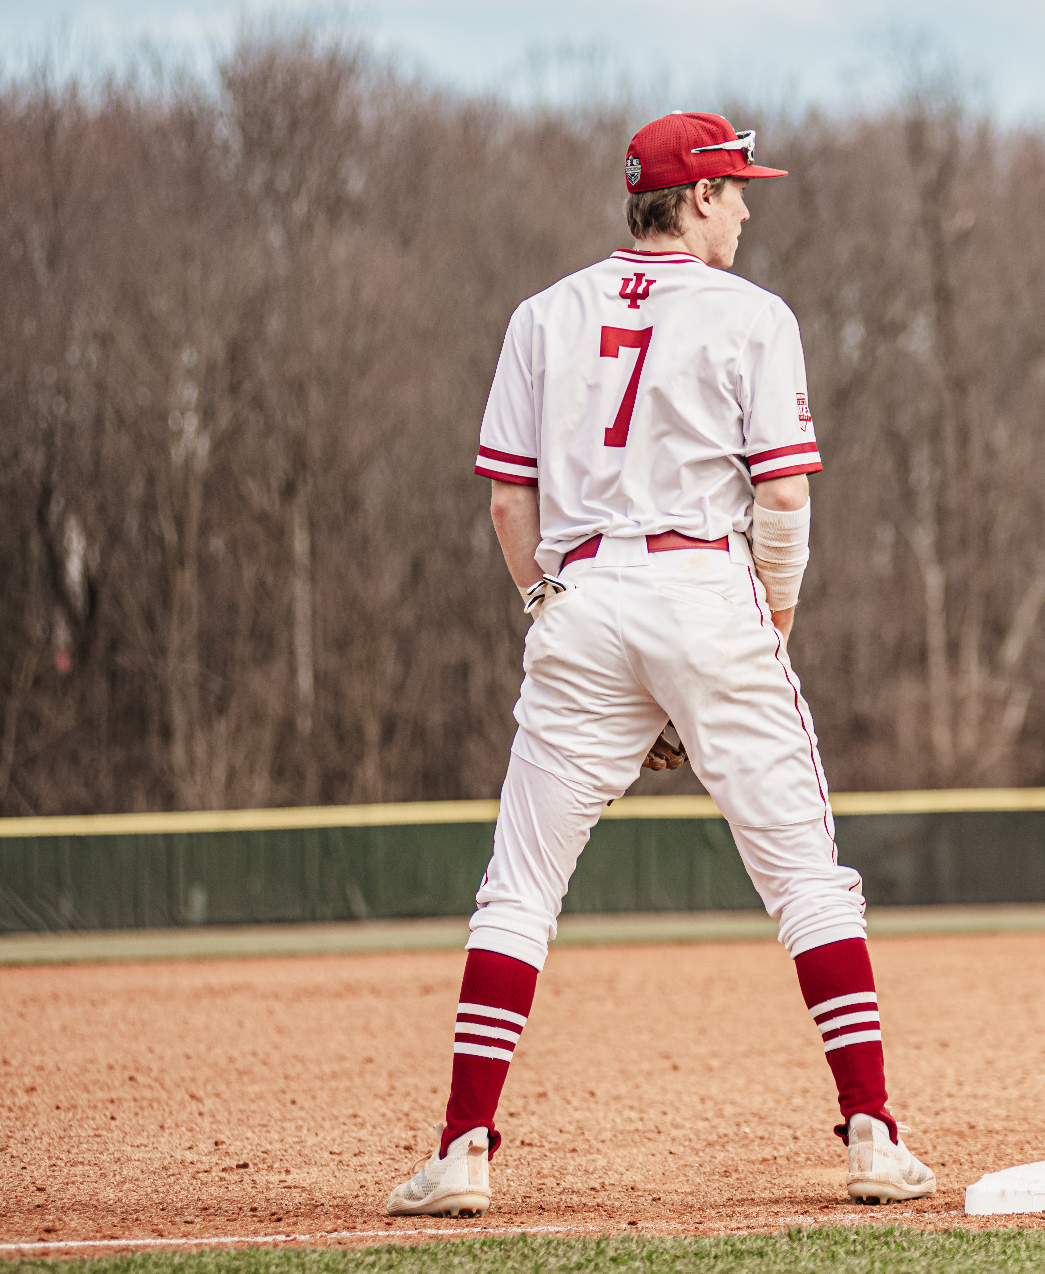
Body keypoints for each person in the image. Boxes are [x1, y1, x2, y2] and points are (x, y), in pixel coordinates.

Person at [385, 113, 934, 1218]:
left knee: (519, 888)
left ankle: (462, 1150)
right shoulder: (753, 314)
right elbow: (784, 495)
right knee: (806, 880)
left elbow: (508, 502)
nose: (747, 207)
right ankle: (873, 1135)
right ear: (694, 198)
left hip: (582, 595)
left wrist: (546, 605)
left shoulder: (543, 314)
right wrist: (770, 624)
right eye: (735, 189)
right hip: (705, 588)